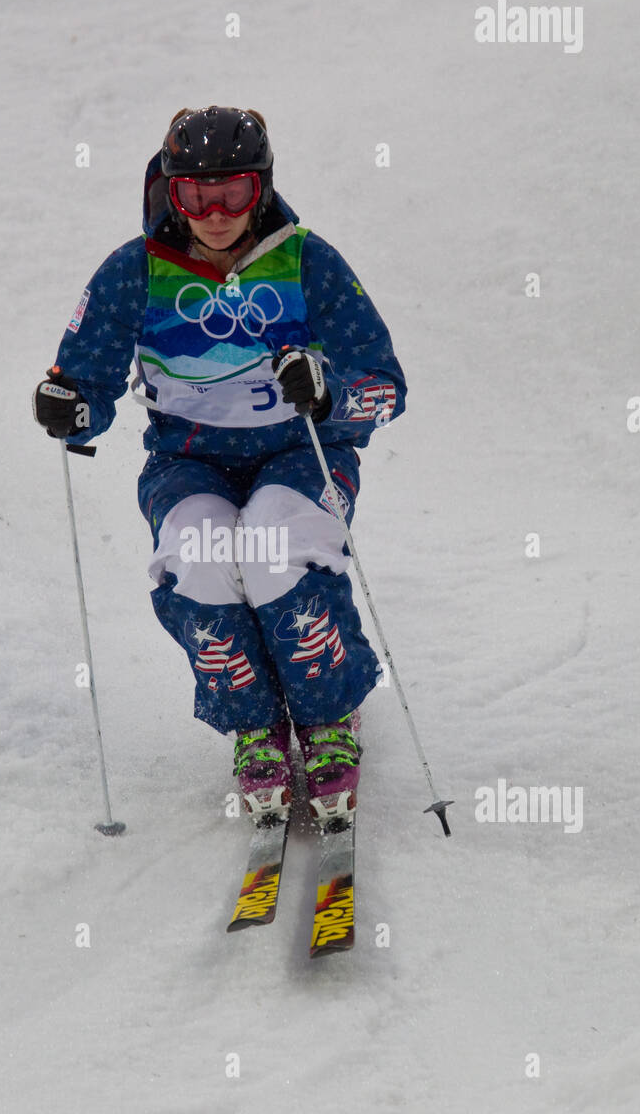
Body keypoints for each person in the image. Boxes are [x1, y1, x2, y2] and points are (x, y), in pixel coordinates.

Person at [33, 105, 406, 825]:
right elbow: (86, 376)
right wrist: (72, 406)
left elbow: (385, 386)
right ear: (168, 194)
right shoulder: (136, 270)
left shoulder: (306, 259)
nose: (215, 214)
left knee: (275, 547)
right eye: (194, 197)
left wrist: (329, 393)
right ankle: (255, 726)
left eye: (233, 194)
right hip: (189, 458)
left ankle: (327, 719)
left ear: (261, 188)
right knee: (197, 561)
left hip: (302, 453)